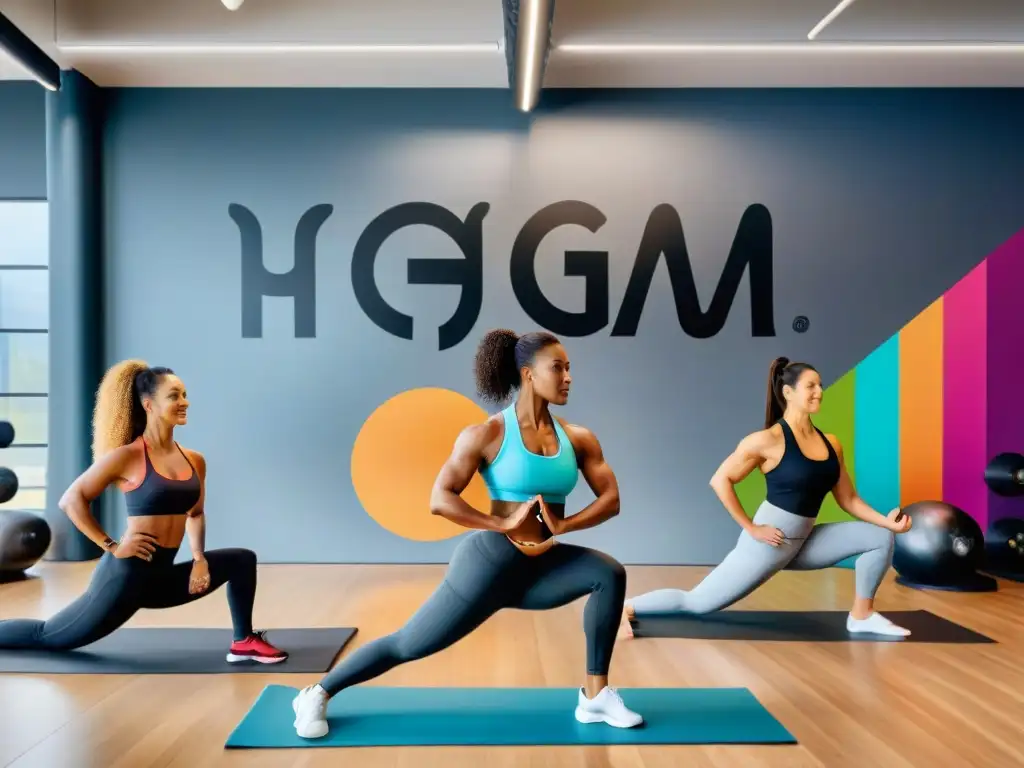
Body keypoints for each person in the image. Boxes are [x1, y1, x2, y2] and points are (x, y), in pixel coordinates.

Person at [291, 329, 642, 739]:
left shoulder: (578, 438)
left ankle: (595, 696)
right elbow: (440, 498)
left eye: (569, 368)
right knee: (410, 644)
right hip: (491, 564)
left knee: (608, 573)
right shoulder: (488, 434)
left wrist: (565, 525)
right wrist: (501, 524)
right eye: (558, 368)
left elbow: (611, 499)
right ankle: (317, 692)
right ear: (528, 374)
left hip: (544, 566)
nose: (568, 377)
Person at [0, 360, 287, 663]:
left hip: (162, 578)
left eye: (185, 394)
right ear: (148, 405)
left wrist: (199, 559)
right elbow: (72, 499)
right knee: (49, 636)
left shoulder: (194, 460)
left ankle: (244, 642)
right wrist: (112, 546)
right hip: (126, 578)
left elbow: (195, 514)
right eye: (174, 396)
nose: (184, 402)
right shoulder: (128, 456)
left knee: (242, 560)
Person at [622, 356, 913, 639]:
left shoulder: (831, 444)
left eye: (820, 385)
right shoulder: (767, 440)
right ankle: (625, 607)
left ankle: (862, 615)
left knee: (879, 537)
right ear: (788, 392)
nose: (819, 392)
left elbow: (848, 499)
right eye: (811, 386)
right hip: (768, 546)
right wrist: (752, 528)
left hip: (805, 543)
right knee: (697, 603)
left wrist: (888, 523)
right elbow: (720, 480)